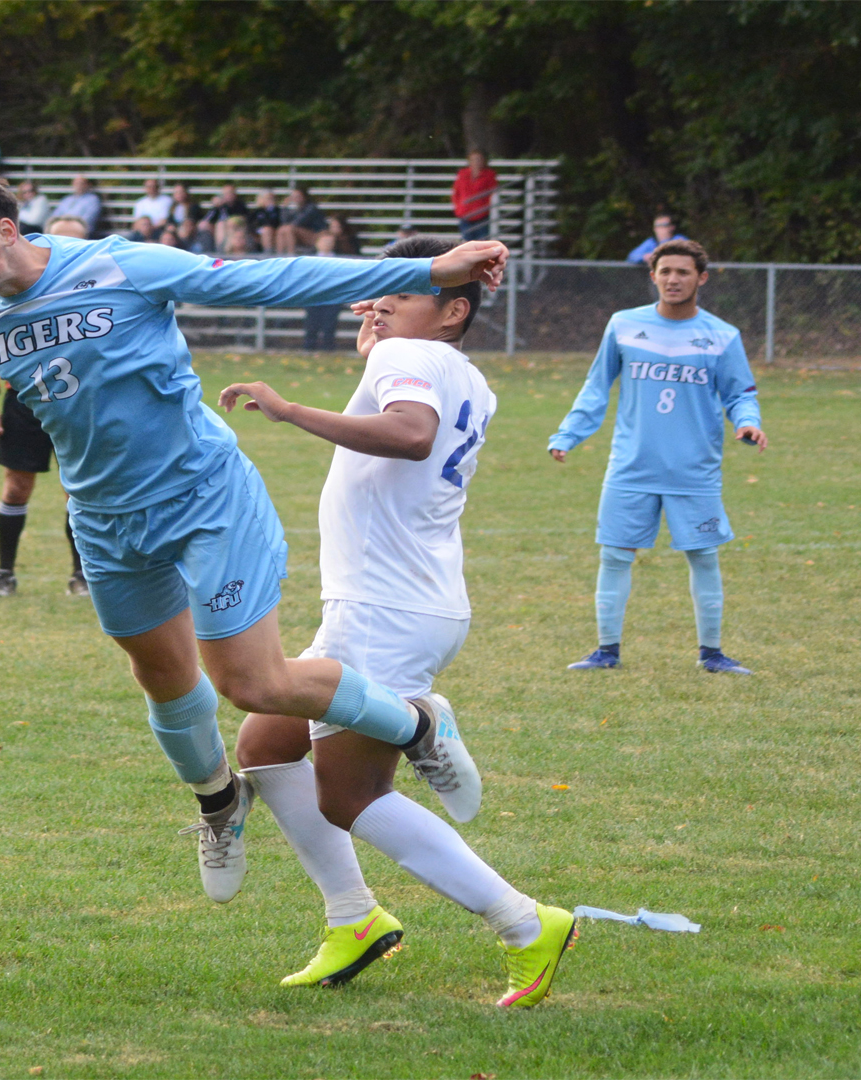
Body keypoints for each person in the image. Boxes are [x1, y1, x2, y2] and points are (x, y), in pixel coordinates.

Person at [0, 175, 507, 913]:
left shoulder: (118, 265)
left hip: (205, 499)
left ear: (4, 231)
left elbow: (269, 278)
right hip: (106, 521)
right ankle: (219, 805)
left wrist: (426, 270)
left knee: (252, 683)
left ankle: (417, 725)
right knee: (164, 681)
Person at [219, 235, 579, 1008]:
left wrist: (288, 409)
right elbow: (413, 415)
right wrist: (379, 340)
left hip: (386, 614)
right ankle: (354, 918)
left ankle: (524, 922)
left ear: (453, 311)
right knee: (265, 744)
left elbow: (411, 435)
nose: (382, 303)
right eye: (380, 290)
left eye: (404, 291)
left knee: (349, 796)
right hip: (402, 603)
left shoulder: (407, 357)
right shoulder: (464, 374)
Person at [549, 238, 766, 675]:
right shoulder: (624, 325)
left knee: (704, 556)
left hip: (694, 470)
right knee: (615, 556)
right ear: (653, 276)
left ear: (701, 279)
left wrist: (747, 422)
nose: (673, 279)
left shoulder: (722, 335)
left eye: (683, 272)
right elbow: (596, 386)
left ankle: (712, 654)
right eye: (665, 271)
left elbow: (740, 393)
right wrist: (569, 434)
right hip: (631, 466)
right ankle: (606, 651)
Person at [0, 362, 87, 598]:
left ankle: (82, 574)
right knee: (16, 489)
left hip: (75, 399)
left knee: (79, 490)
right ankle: (4, 574)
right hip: (23, 401)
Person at [303, 214, 362, 351]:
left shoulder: (339, 259)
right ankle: (309, 347)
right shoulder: (309, 259)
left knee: (330, 323)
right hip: (314, 296)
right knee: (312, 323)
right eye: (324, 241)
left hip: (333, 296)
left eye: (330, 242)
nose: (327, 244)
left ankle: (328, 348)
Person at [452, 149, 497, 241]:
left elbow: (493, 193)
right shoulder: (463, 174)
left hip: (481, 214)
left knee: (482, 241)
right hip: (465, 214)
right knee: (466, 241)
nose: (476, 162)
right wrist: (458, 208)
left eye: (479, 159)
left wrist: (486, 209)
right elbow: (456, 192)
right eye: (473, 159)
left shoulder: (489, 175)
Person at [276, 189, 328, 255]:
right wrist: (284, 207)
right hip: (302, 233)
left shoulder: (311, 208)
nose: (295, 199)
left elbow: (298, 222)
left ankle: (291, 253)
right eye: (293, 197)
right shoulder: (297, 208)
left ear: (304, 197)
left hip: (317, 235)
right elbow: (284, 222)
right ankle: (280, 254)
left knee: (289, 229)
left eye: (298, 196)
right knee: (282, 229)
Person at [202, 184, 247, 255]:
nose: (229, 195)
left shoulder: (240, 205)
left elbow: (244, 219)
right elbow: (207, 220)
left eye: (231, 193)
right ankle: (220, 249)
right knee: (218, 225)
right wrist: (215, 207)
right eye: (226, 193)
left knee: (223, 225)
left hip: (235, 229)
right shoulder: (218, 207)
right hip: (217, 230)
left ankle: (222, 251)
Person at [127, 178, 173, 242]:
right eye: (149, 187)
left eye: (154, 186)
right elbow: (136, 222)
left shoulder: (167, 201)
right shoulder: (140, 203)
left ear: (158, 187)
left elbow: (164, 221)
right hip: (143, 231)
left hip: (160, 230)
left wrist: (149, 228)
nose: (152, 189)